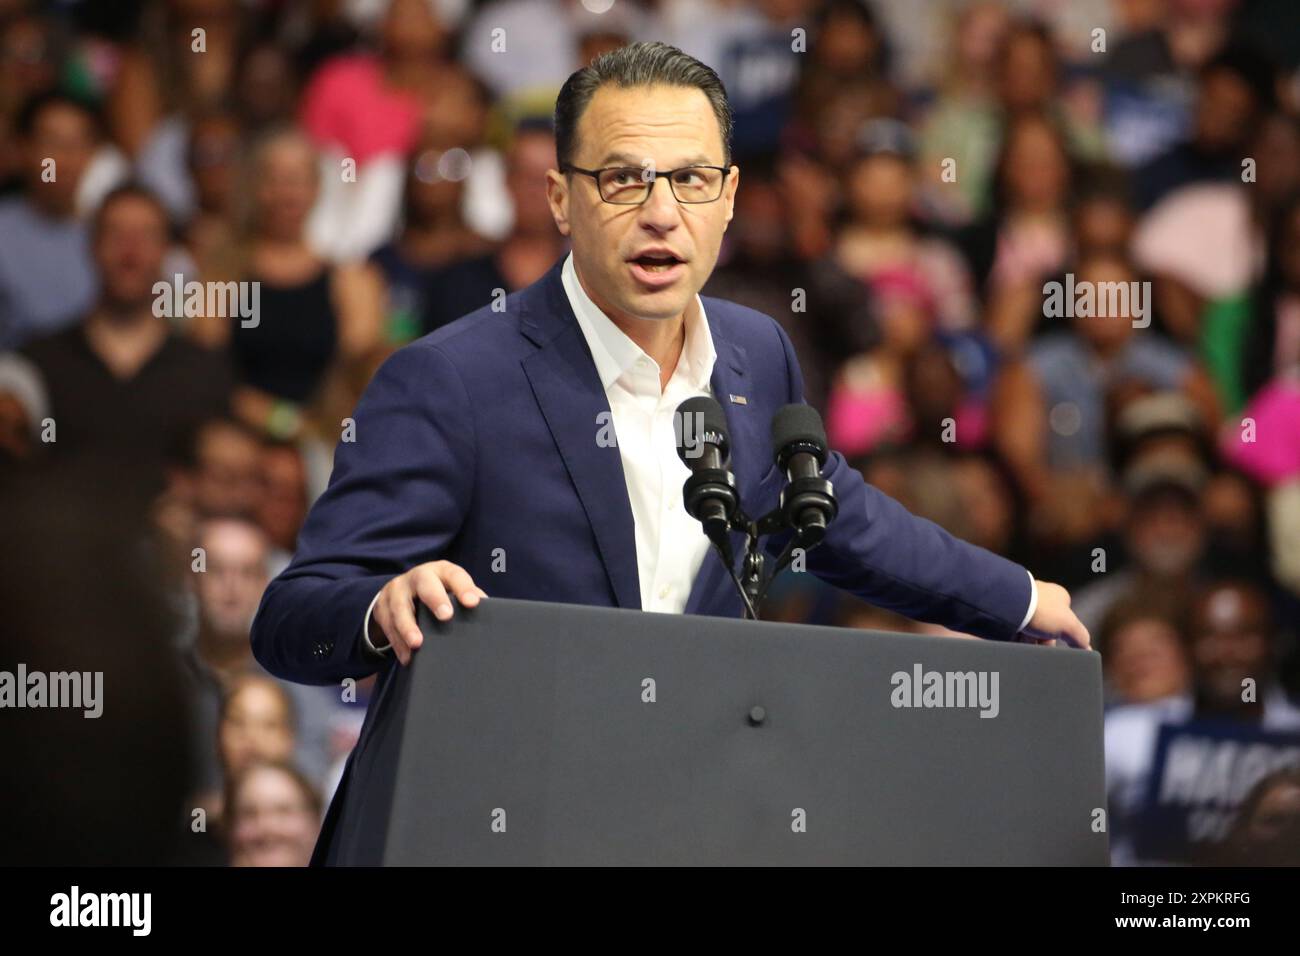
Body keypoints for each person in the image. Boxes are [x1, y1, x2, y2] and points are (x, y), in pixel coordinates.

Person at [250, 42, 1091, 860]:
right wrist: (381, 605)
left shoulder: (757, 354)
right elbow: (293, 618)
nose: (661, 213)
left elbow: (837, 514)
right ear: (558, 197)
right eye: (623, 178)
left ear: (728, 196)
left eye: (690, 179)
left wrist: (1016, 598)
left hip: (679, 823)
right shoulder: (450, 380)